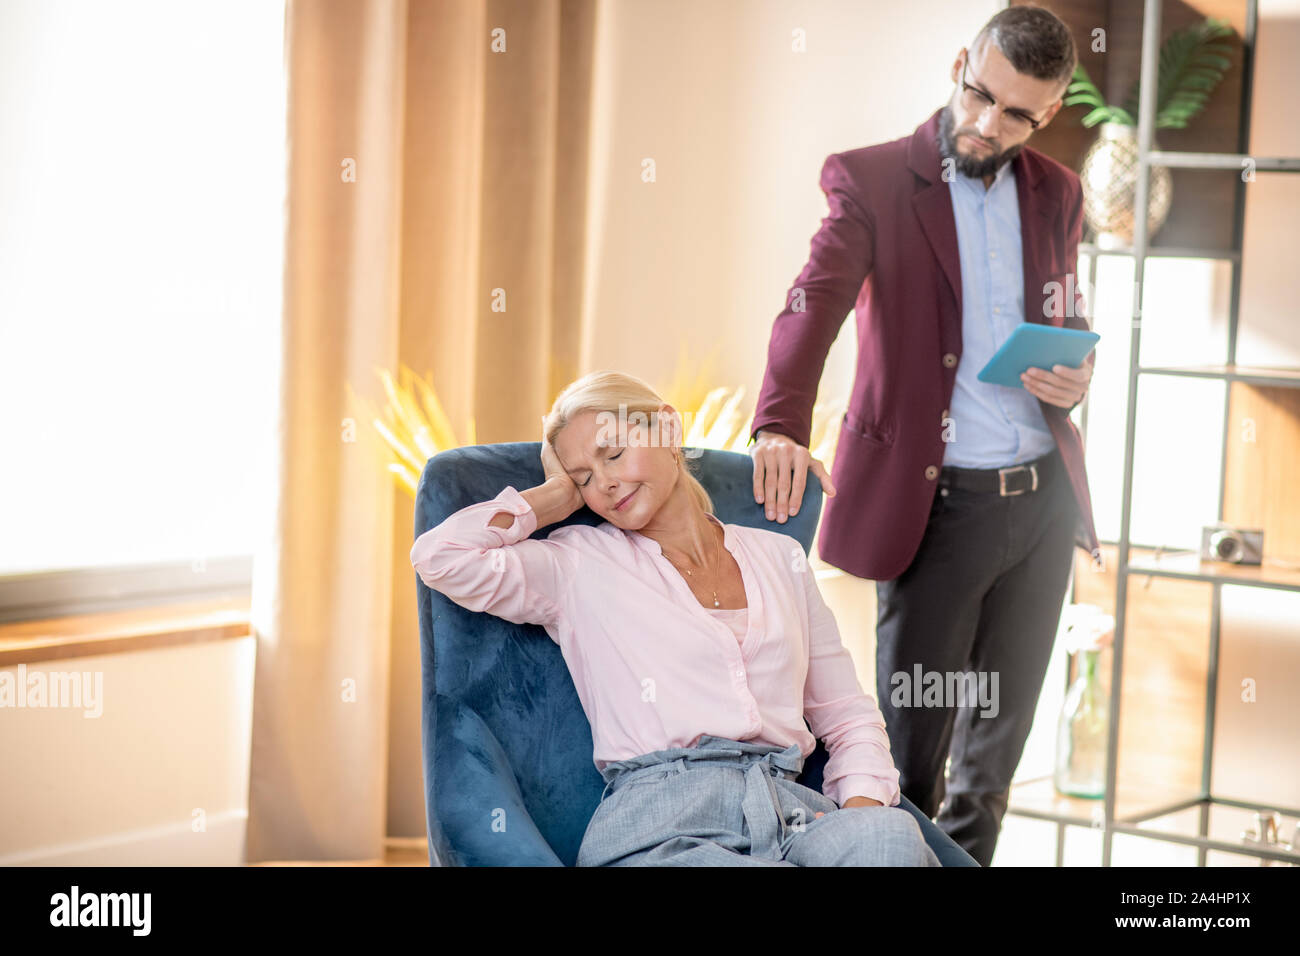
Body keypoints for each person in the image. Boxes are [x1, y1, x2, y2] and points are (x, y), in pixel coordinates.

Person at [747, 5, 1100, 867]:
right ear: (958, 64)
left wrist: (1077, 372)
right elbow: (810, 305)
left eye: (1016, 113)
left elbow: (1064, 309)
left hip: (1042, 503)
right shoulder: (868, 180)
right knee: (909, 755)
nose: (988, 122)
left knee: (997, 758)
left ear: (1046, 114)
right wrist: (777, 424)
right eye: (979, 93)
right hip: (937, 508)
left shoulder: (1057, 192)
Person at [411, 370, 939, 866]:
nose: (606, 484)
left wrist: (863, 815)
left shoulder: (780, 558)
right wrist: (550, 500)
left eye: (614, 454)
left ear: (667, 427)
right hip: (663, 819)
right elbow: (442, 558)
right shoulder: (578, 563)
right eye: (584, 479)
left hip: (792, 808)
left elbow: (845, 713)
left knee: (889, 838)